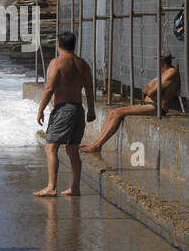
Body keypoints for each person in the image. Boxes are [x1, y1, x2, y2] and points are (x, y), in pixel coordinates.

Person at [33, 31, 96, 196]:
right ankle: (75, 188)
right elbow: (89, 89)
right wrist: (91, 109)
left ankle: (51, 187)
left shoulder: (57, 63)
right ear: (74, 45)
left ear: (58, 45)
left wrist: (40, 109)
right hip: (78, 109)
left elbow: (49, 88)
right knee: (72, 149)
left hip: (64, 110)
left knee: (51, 147)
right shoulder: (83, 64)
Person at [80, 52, 180, 154]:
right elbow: (145, 89)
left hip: (157, 107)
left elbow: (149, 91)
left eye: (158, 61)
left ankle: (98, 145)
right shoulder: (163, 73)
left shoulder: (172, 73)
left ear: (162, 61)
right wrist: (151, 89)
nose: (156, 63)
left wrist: (151, 88)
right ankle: (95, 143)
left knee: (118, 113)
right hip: (149, 104)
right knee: (112, 112)